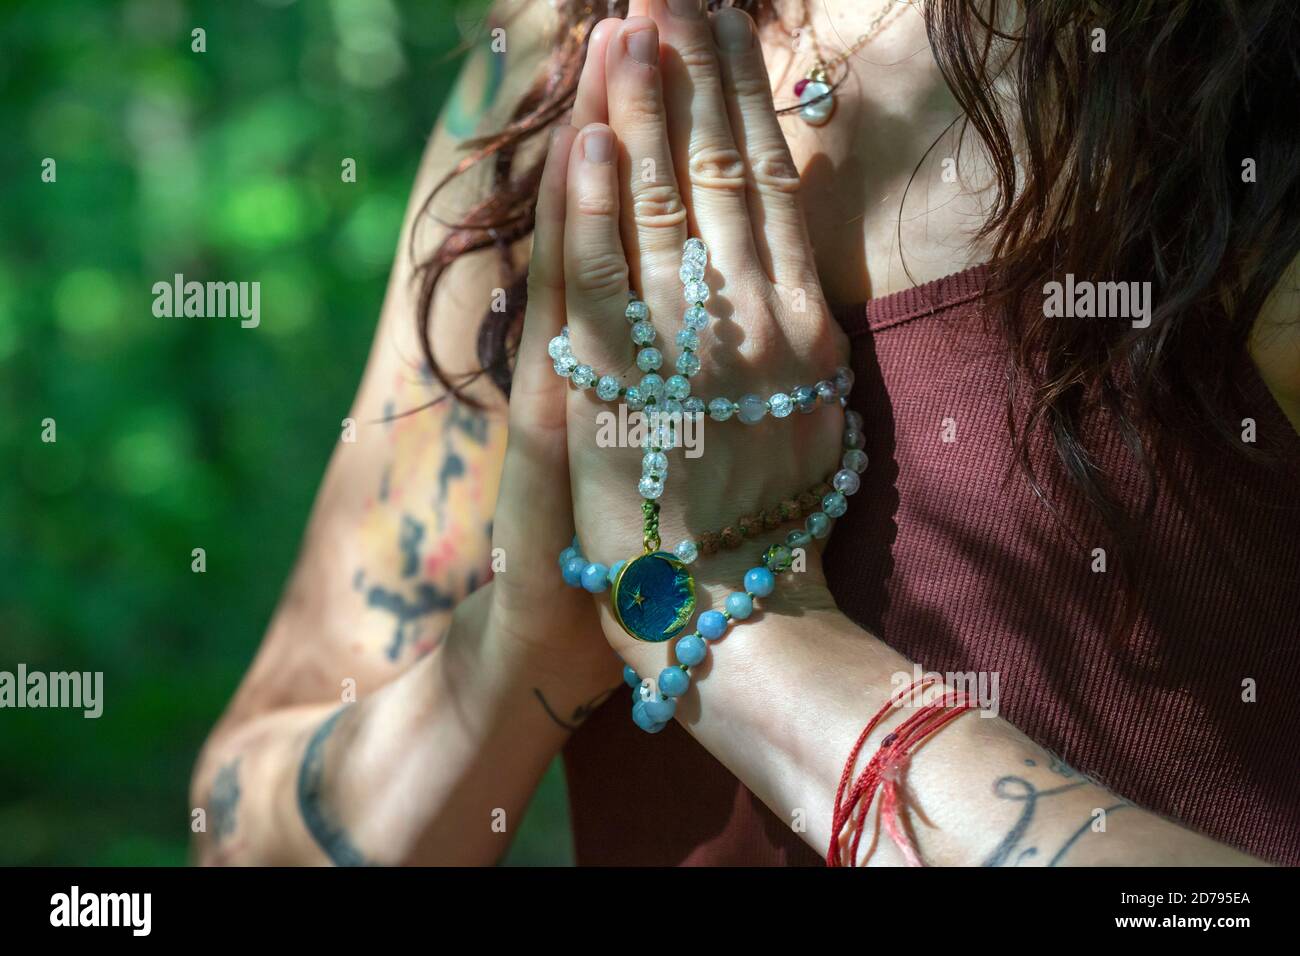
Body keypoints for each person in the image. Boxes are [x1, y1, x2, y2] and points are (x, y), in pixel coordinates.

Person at [191, 0, 1300, 866]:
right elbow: (238, 829)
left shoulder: (1233, 84)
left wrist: (757, 645)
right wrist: (519, 649)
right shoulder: (554, 63)